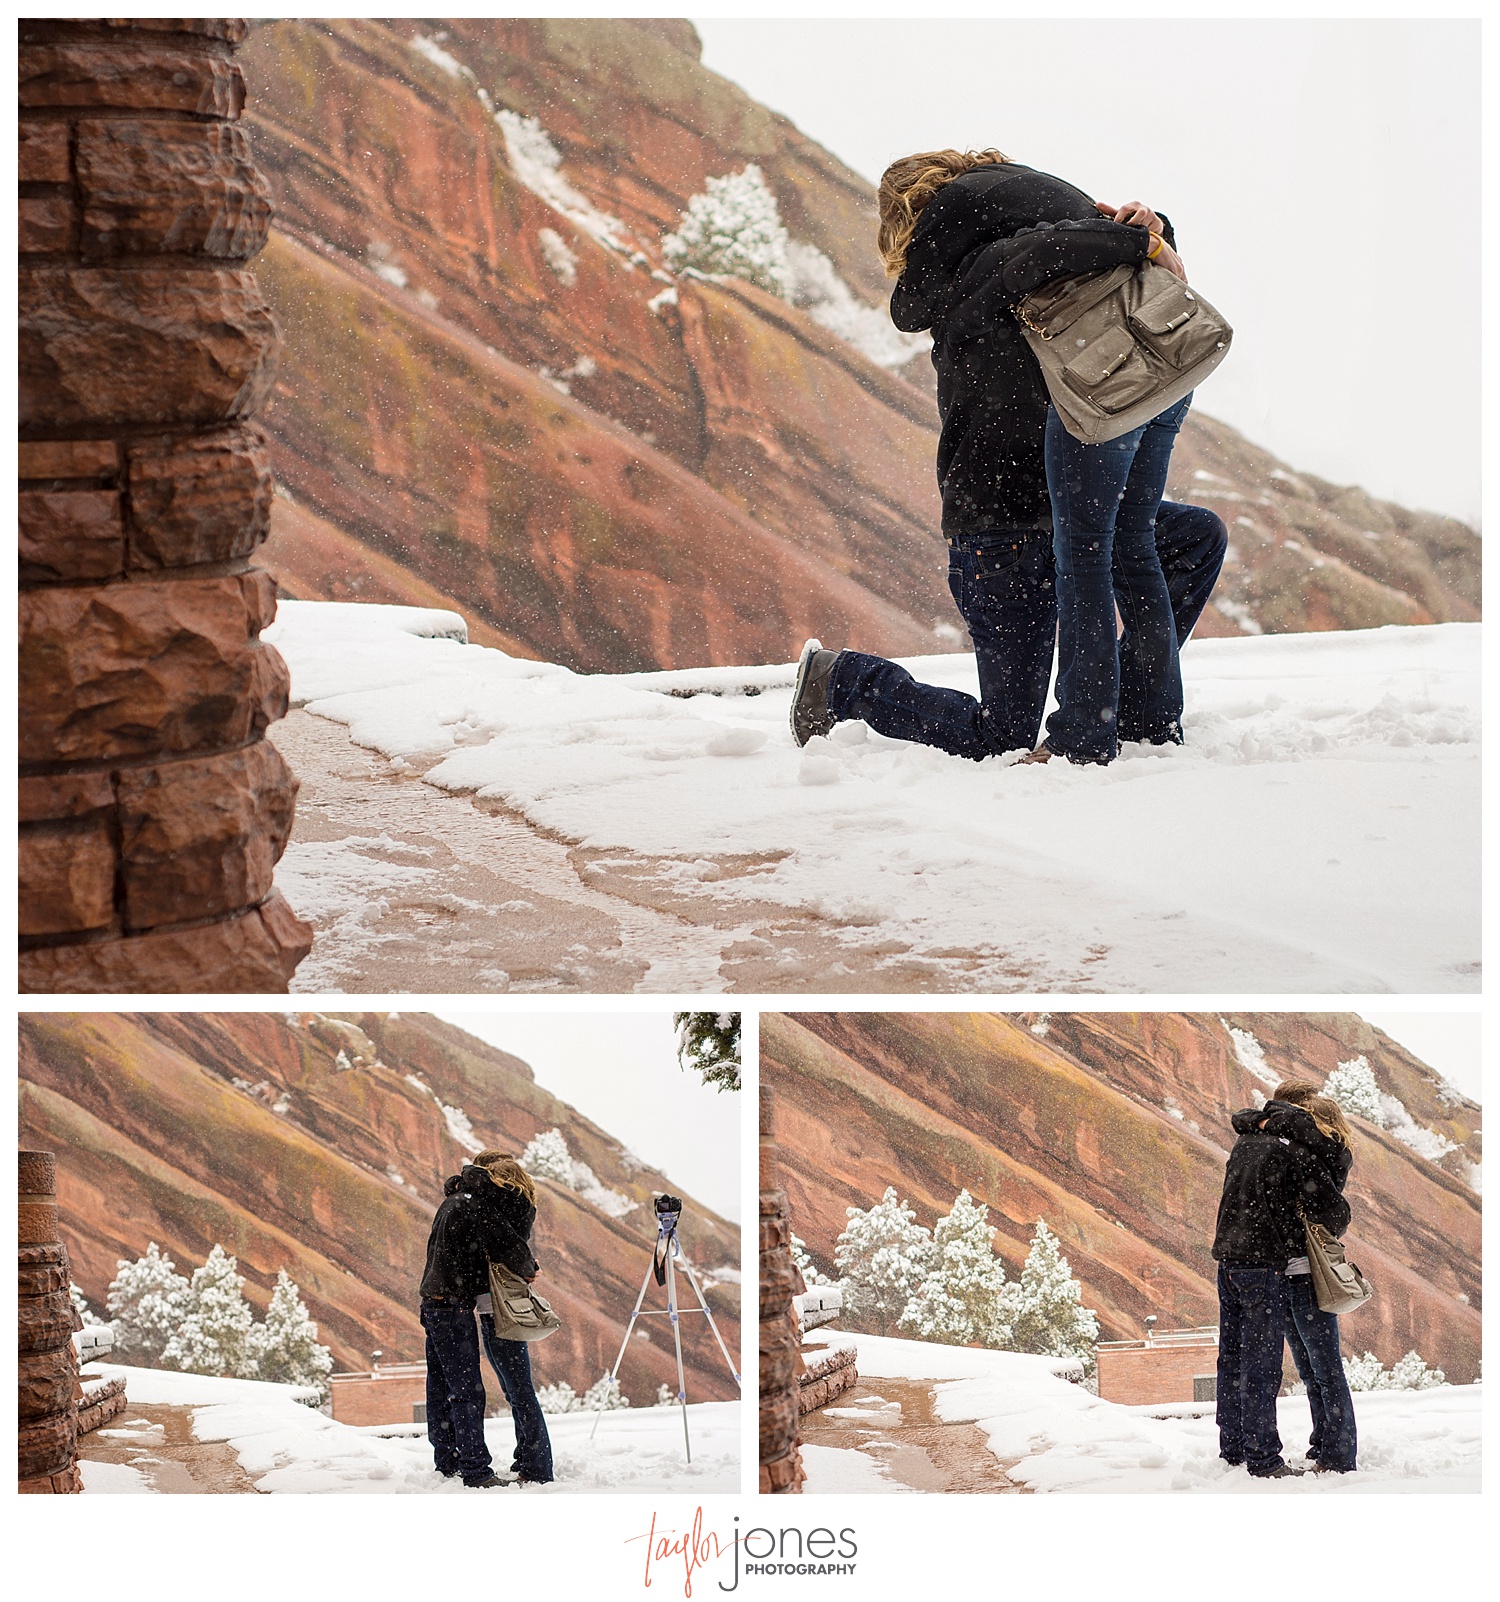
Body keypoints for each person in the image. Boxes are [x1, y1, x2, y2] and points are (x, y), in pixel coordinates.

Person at [790, 147, 1226, 761]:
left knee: (1194, 537)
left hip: (1035, 516)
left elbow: (1131, 287)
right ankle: (842, 682)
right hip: (1005, 531)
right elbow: (1048, 257)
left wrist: (1148, 233)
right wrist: (1141, 240)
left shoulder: (1042, 270)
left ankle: (1118, 709)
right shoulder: (986, 275)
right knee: (1003, 737)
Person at [1211, 1092, 1350, 1478]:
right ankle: (1264, 1458)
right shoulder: (1296, 1152)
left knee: (1232, 1359)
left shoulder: (1246, 1142)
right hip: (1265, 1268)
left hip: (1227, 1260)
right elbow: (1336, 1212)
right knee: (1263, 1364)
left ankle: (1234, 1448)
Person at [418, 1157, 541, 1488]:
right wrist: (529, 1267)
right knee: (467, 1390)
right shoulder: (476, 1206)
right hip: (453, 1307)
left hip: (432, 1301)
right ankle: (476, 1471)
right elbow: (513, 1248)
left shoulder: (454, 1201)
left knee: (441, 1387)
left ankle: (447, 1461)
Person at [1262, 1083, 1360, 1473]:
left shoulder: (1319, 1153)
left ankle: (1339, 1453)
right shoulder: (1314, 1152)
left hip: (1304, 1272)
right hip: (1291, 1271)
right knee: (1311, 1368)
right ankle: (1324, 1442)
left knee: (1324, 1367)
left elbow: (1333, 1211)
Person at [471, 1151, 554, 1485]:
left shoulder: (500, 1211)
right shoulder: (520, 1206)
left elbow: (508, 1249)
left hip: (497, 1311)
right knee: (517, 1390)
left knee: (520, 1392)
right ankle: (528, 1457)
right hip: (500, 1309)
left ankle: (538, 1466)